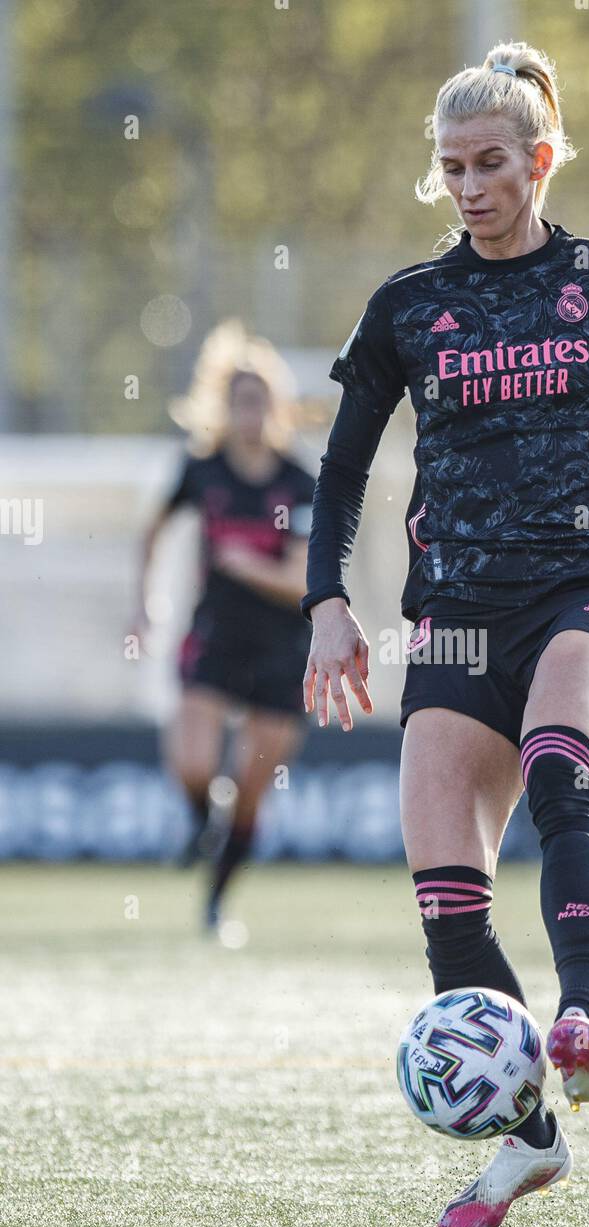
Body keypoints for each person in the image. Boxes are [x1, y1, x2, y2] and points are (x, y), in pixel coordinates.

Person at [302, 42, 589, 1227]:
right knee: (445, 897)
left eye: (491, 164)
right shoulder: (405, 307)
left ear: (539, 160)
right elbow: (339, 466)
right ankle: (526, 1142)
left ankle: (580, 1015)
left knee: (555, 766)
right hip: (458, 618)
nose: (470, 186)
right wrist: (329, 600)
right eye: (450, 169)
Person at [136, 321, 314, 932]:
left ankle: (215, 903)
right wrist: (144, 603)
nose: (251, 410)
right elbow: (154, 529)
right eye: (240, 399)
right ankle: (197, 821)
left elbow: (302, 579)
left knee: (250, 785)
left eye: (260, 398)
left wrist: (245, 565)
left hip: (283, 648)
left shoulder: (298, 482)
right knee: (192, 763)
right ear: (225, 405)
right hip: (213, 638)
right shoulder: (202, 471)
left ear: (276, 406)